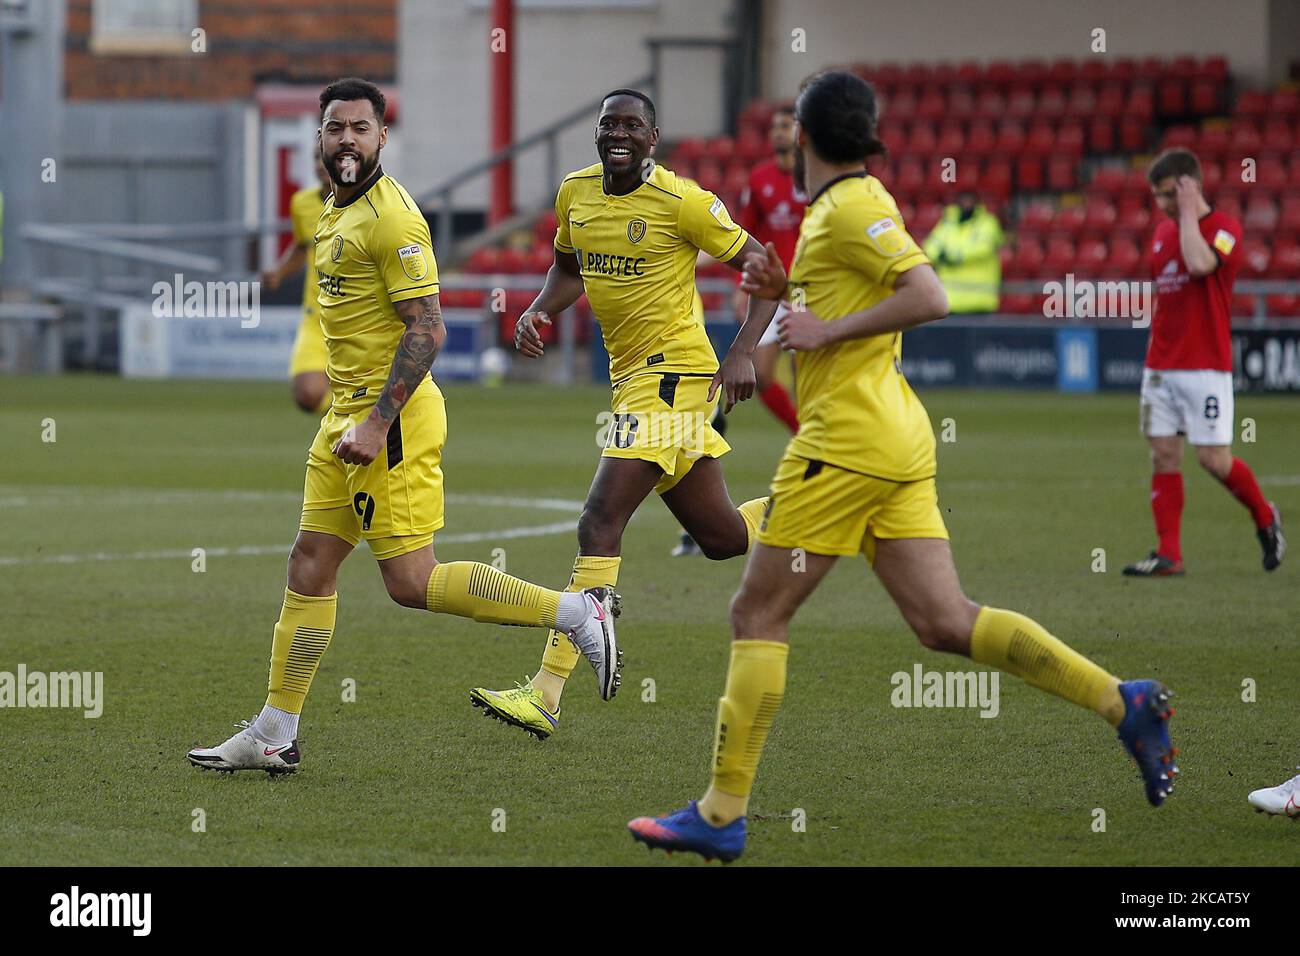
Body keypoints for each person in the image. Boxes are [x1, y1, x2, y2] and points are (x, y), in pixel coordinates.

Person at [626, 71, 1179, 862]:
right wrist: (788, 303)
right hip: (892, 441)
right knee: (945, 622)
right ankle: (1123, 703)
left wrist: (826, 329)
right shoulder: (837, 212)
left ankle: (719, 814)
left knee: (756, 614)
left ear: (807, 141)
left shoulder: (851, 206)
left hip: (846, 444)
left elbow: (930, 295)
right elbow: (816, 324)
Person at [187, 78, 621, 774]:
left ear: (382, 137)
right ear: (321, 140)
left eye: (361, 128)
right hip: (345, 417)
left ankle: (575, 614)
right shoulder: (333, 209)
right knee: (310, 562)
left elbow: (429, 326)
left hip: (389, 419)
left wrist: (377, 419)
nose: (348, 139)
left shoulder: (393, 217)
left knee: (412, 582)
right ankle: (274, 729)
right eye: (336, 128)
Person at [467, 88, 780, 740]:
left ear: (652, 137)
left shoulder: (682, 202)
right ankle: (812, 505)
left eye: (631, 125)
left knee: (599, 518)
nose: (619, 134)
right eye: (609, 123)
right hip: (633, 379)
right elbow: (569, 268)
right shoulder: (575, 194)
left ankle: (545, 693)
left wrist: (744, 350)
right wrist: (537, 310)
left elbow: (765, 268)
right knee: (723, 539)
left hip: (674, 377)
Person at [1122, 147, 1284, 576]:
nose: (1162, 205)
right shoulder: (1160, 234)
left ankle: (1265, 517)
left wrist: (1190, 212)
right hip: (1160, 366)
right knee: (1162, 455)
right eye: (1157, 197)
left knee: (1213, 459)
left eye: (1169, 194)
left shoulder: (1224, 228)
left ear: (1190, 185)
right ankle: (1168, 553)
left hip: (1206, 368)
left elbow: (1198, 264)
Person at [262, 152, 332, 415]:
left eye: (326, 158)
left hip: (357, 321)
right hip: (316, 318)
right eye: (316, 158)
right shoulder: (302, 203)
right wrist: (279, 273)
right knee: (308, 395)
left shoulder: (368, 205)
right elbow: (303, 246)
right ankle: (342, 417)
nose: (319, 165)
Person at [921, 189, 1002, 314]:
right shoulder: (948, 222)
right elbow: (930, 246)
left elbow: (983, 248)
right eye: (963, 200)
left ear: (977, 203)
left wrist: (953, 256)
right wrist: (940, 255)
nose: (966, 203)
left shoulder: (987, 223)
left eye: (970, 200)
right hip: (950, 300)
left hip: (979, 301)